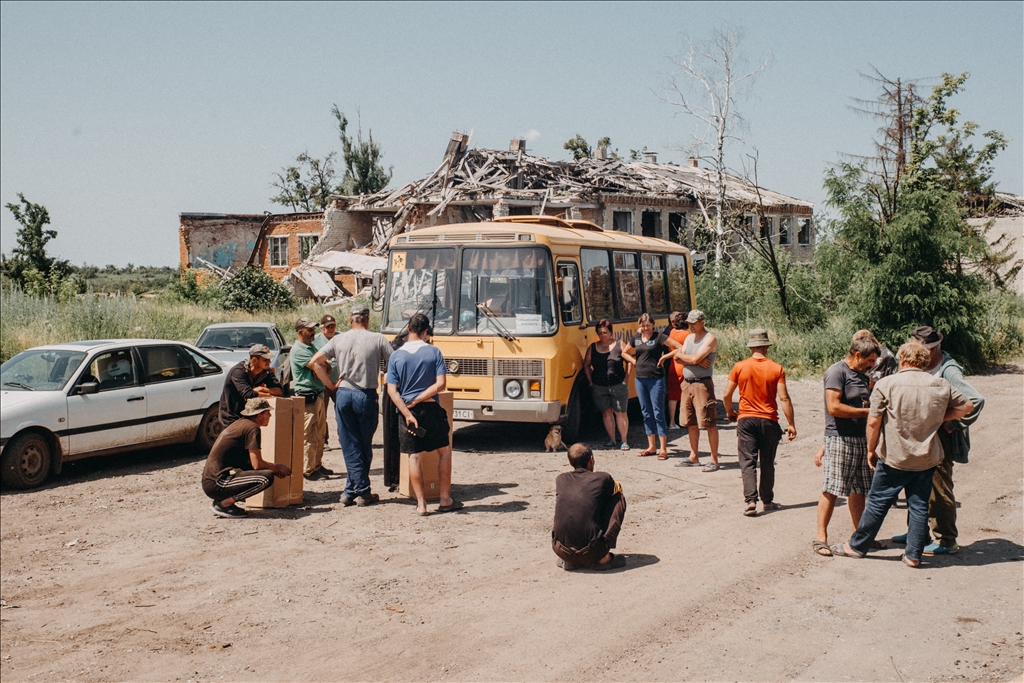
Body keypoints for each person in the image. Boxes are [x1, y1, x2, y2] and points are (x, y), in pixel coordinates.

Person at [831, 342, 974, 566]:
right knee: (918, 505)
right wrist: (939, 418)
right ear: (924, 361)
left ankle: (857, 546)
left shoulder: (887, 383)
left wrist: (871, 450)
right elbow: (968, 406)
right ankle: (913, 555)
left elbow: (873, 422)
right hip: (926, 457)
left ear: (903, 360)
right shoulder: (939, 383)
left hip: (895, 456)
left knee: (878, 502)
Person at [888, 326, 986, 556]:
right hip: (921, 434)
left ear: (933, 349)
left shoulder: (948, 370)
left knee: (939, 489)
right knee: (915, 483)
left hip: (940, 438)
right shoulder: (923, 365)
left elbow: (975, 400)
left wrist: (949, 423)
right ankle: (917, 533)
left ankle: (946, 540)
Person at [311, 306, 393, 507]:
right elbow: (394, 363)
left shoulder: (338, 340)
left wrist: (330, 385)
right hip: (365, 393)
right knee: (363, 445)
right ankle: (363, 491)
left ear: (349, 321)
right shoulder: (378, 338)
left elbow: (315, 362)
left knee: (350, 444)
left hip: (344, 393)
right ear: (367, 319)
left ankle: (350, 491)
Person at [385, 313, 460, 516]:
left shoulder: (396, 356)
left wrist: (407, 412)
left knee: (414, 457)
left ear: (408, 329)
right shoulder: (434, 352)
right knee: (443, 451)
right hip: (430, 409)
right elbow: (441, 384)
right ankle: (445, 498)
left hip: (407, 411)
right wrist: (419, 398)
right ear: (426, 332)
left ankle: (421, 505)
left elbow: (392, 390)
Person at [812, 335, 881, 556]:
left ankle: (858, 537)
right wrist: (867, 412)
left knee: (859, 489)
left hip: (861, 439)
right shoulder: (836, 372)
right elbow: (833, 407)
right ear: (857, 354)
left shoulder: (862, 375)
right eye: (869, 360)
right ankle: (820, 538)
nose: (871, 365)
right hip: (840, 438)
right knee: (832, 488)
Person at [722, 329, 797, 516]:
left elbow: (726, 394)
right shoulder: (776, 368)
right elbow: (784, 398)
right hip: (769, 420)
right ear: (766, 346)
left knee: (747, 461)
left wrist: (730, 412)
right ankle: (768, 501)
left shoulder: (739, 367)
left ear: (751, 347)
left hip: (746, 419)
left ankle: (750, 501)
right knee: (767, 462)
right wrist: (792, 423)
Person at [201, 398, 291, 518]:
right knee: (265, 478)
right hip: (217, 482)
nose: (270, 415)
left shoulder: (241, 424)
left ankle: (225, 500)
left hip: (213, 480)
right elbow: (257, 464)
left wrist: (276, 467)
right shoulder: (252, 428)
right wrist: (276, 468)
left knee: (263, 471)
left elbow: (250, 463)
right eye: (267, 412)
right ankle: (224, 504)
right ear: (259, 415)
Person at [551, 443, 627, 571]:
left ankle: (570, 559)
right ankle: (604, 558)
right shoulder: (602, 478)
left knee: (568, 503)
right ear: (591, 460)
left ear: (570, 462)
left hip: (560, 550)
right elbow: (616, 490)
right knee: (618, 498)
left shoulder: (561, 479)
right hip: (594, 552)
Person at [622, 313, 685, 459]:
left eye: (648, 326)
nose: (645, 328)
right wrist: (633, 361)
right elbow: (625, 352)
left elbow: (679, 347)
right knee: (646, 412)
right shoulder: (636, 338)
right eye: (643, 326)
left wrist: (664, 357)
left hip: (656, 379)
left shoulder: (659, 337)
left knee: (658, 412)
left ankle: (663, 448)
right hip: (640, 379)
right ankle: (651, 446)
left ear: (653, 325)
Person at [671, 310, 720, 471]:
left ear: (702, 322)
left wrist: (692, 360)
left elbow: (689, 358)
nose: (690, 326)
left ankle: (714, 459)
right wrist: (694, 361)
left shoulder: (710, 339)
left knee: (708, 422)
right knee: (690, 422)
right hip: (687, 384)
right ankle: (694, 456)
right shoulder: (689, 338)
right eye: (689, 323)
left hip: (702, 385)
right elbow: (678, 356)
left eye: (693, 323)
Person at [583, 319, 635, 450]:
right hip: (599, 386)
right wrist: (590, 381)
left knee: (620, 412)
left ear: (611, 333)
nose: (602, 335)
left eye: (605, 332)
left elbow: (629, 361)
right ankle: (612, 439)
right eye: (600, 333)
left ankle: (624, 441)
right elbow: (586, 364)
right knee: (606, 412)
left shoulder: (619, 344)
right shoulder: (593, 347)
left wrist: (626, 379)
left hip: (618, 384)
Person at [290, 317, 328, 480]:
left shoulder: (311, 347)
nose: (313, 332)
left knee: (320, 433)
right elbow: (317, 367)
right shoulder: (299, 350)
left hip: (318, 393)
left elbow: (325, 365)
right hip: (308, 395)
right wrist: (321, 367)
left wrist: (322, 367)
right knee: (309, 435)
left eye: (313, 329)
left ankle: (317, 465)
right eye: (310, 330)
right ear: (300, 332)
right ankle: (308, 469)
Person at [218, 344, 282, 427]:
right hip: (231, 416)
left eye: (269, 359)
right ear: (255, 360)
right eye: (265, 360)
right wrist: (266, 394)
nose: (269, 362)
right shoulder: (239, 371)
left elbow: (279, 391)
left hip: (248, 415)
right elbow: (248, 394)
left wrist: (262, 389)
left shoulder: (266, 372)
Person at [314, 314, 340, 449]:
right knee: (322, 413)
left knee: (342, 411)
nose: (331, 329)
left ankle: (343, 437)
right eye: (328, 327)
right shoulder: (316, 341)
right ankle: (324, 440)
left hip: (339, 382)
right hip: (323, 383)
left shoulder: (341, 337)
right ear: (322, 329)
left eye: (333, 326)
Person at [665, 311, 690, 431]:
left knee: (673, 395)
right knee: (686, 394)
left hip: (673, 365)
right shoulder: (688, 335)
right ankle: (686, 420)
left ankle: (671, 422)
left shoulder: (672, 332)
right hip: (684, 366)